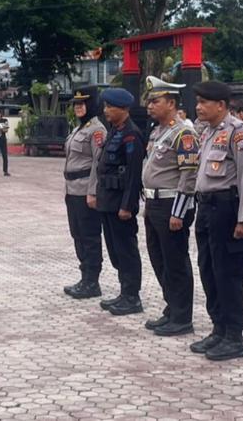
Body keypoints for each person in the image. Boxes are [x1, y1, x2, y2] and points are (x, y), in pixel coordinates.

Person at [189, 80, 243, 362]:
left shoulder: (239, 133)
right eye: (198, 102)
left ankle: (234, 336)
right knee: (208, 269)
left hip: (227, 209)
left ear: (220, 105)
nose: (198, 107)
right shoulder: (207, 132)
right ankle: (219, 328)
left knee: (227, 272)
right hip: (206, 207)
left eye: (204, 102)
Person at [139, 77, 199, 337]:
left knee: (175, 261)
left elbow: (189, 176)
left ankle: (182, 317)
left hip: (172, 204)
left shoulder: (184, 133)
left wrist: (179, 212)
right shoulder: (157, 131)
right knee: (158, 258)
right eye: (149, 101)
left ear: (171, 103)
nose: (150, 106)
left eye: (155, 101)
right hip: (155, 203)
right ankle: (172, 307)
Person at [93, 87, 145, 315]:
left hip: (120, 205)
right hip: (108, 201)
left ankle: (132, 297)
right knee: (115, 251)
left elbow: (133, 175)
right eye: (105, 106)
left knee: (126, 251)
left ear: (123, 109)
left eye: (110, 107)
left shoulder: (131, 134)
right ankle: (124, 293)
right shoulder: (114, 131)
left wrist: (127, 206)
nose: (106, 111)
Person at [63, 90, 106, 298]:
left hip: (85, 191)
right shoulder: (78, 129)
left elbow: (98, 164)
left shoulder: (97, 130)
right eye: (76, 104)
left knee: (90, 236)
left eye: (82, 103)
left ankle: (92, 281)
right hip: (72, 190)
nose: (78, 107)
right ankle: (84, 277)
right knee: (77, 234)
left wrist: (92, 192)